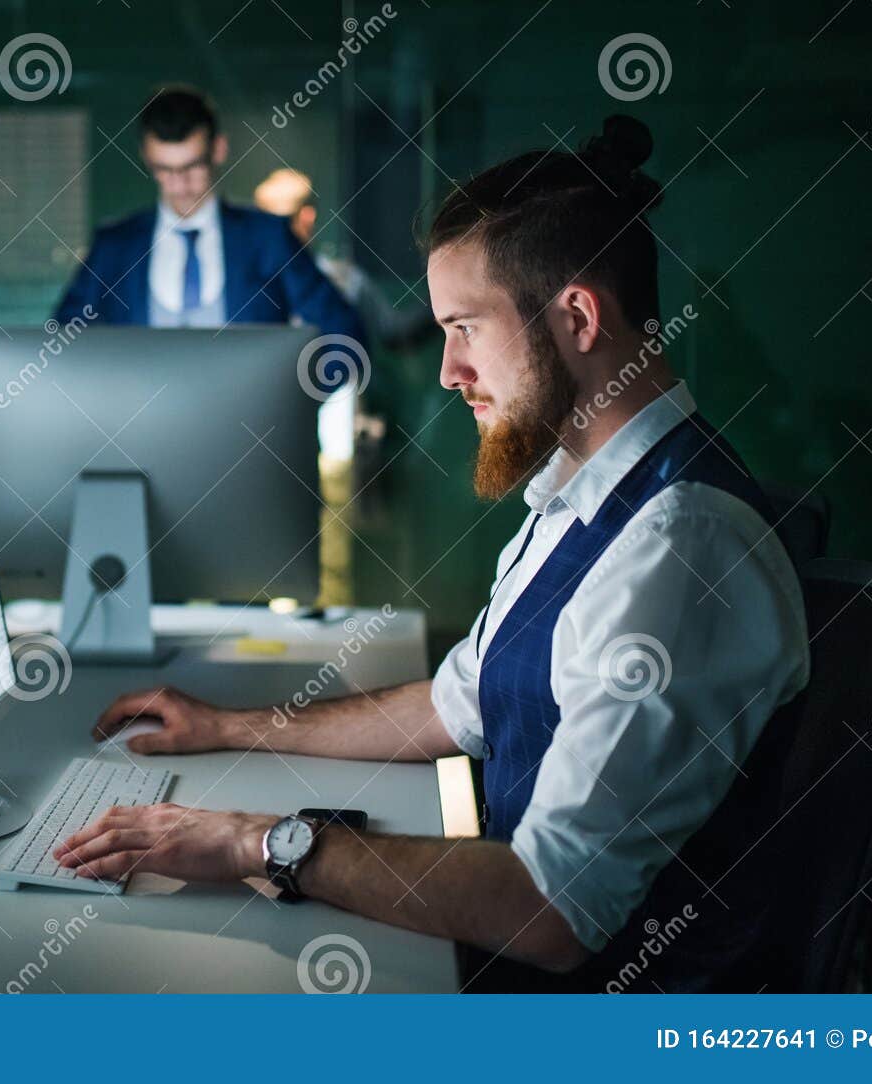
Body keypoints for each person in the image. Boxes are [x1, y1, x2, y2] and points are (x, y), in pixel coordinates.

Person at [54, 116, 810, 992]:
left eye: (466, 327)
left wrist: (254, 842)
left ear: (576, 316)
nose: (448, 370)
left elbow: (550, 909)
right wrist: (229, 726)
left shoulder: (676, 552)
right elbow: (460, 705)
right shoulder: (578, 495)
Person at [52, 86, 362, 340]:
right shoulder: (113, 247)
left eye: (192, 166)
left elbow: (345, 334)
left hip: (249, 416)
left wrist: (292, 403)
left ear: (218, 150)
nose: (179, 183)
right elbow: (61, 344)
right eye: (164, 169)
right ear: (145, 157)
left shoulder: (268, 238)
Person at [253, 167, 436, 351]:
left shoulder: (345, 277)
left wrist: (443, 300)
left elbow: (396, 332)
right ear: (306, 216)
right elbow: (395, 332)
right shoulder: (342, 278)